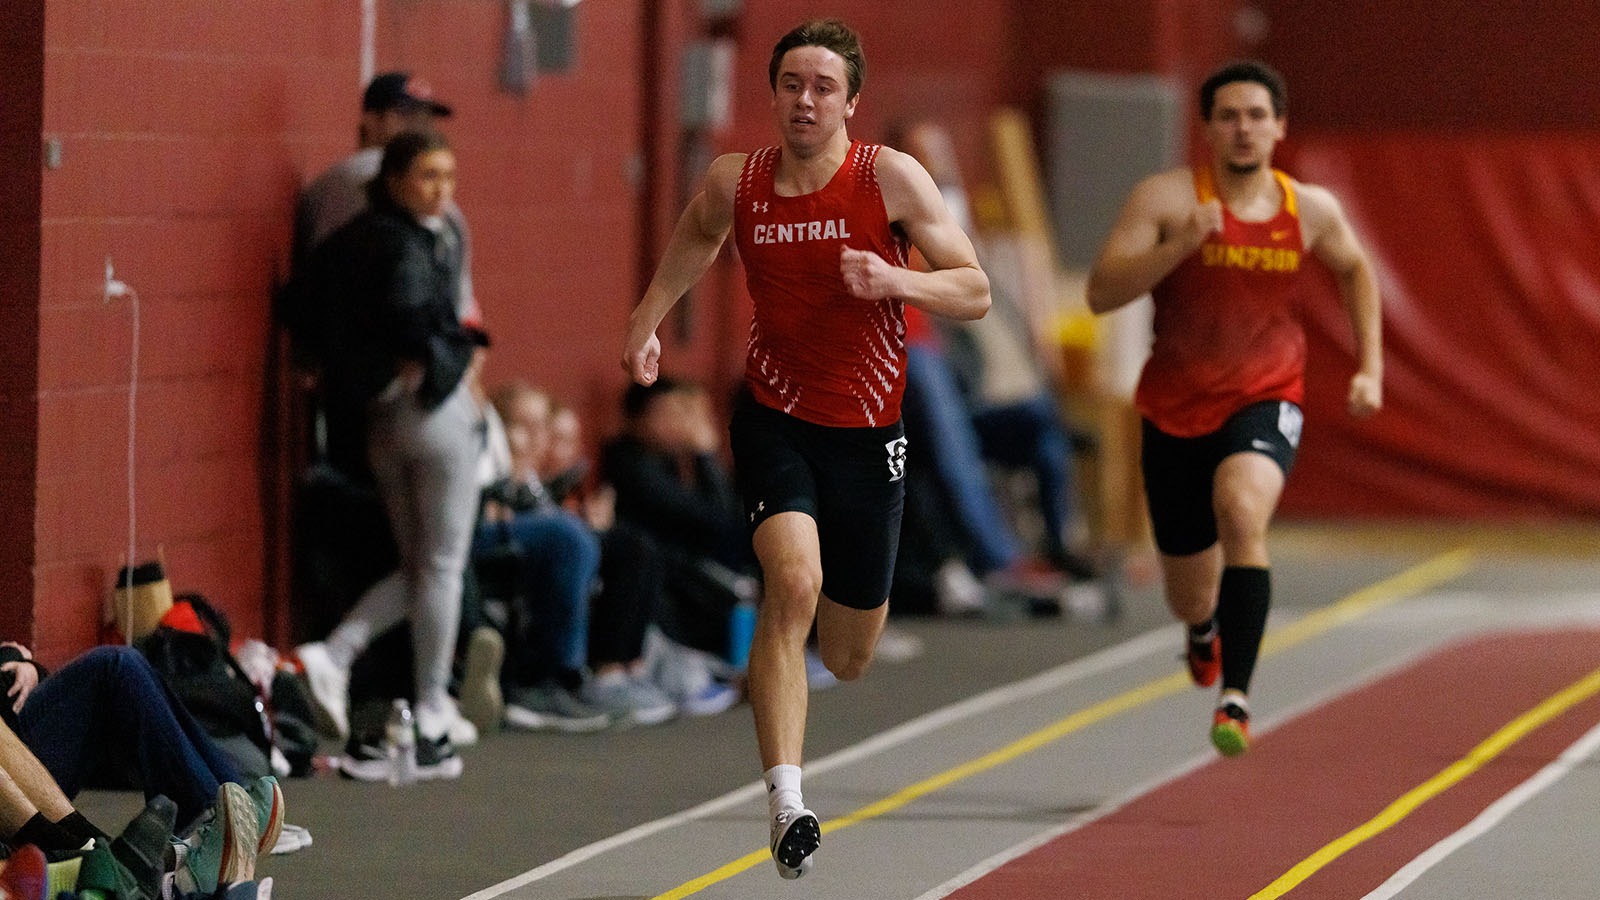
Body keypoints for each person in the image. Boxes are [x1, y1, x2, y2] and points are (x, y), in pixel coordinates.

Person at [621, 19, 990, 880]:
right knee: (791, 583)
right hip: (776, 416)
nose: (806, 100)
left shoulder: (888, 178)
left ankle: (824, 671)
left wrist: (896, 279)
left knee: (849, 653)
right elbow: (697, 236)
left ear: (851, 101)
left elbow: (972, 287)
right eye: (792, 83)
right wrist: (647, 319)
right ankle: (788, 801)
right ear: (774, 94)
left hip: (868, 436)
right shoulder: (738, 181)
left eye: (823, 86)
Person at [1085, 60, 1382, 756]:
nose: (1244, 129)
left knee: (1243, 511)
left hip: (1265, 393)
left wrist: (1370, 365)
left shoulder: (1308, 209)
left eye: (1257, 115)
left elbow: (1355, 268)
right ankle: (1201, 630)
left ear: (1279, 126)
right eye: (1229, 116)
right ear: (1209, 129)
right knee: (1190, 593)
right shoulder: (1163, 200)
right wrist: (1182, 245)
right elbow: (1101, 293)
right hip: (1173, 405)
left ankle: (1237, 699)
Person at [293, 129, 487, 780]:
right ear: (397, 177)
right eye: (429, 175)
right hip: (432, 412)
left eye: (449, 177)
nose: (442, 191)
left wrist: (348, 374)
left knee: (419, 564)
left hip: (380, 420)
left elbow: (299, 303)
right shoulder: (412, 243)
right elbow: (415, 324)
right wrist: (451, 353)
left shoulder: (344, 241)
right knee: (442, 565)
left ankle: (337, 653)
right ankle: (433, 702)